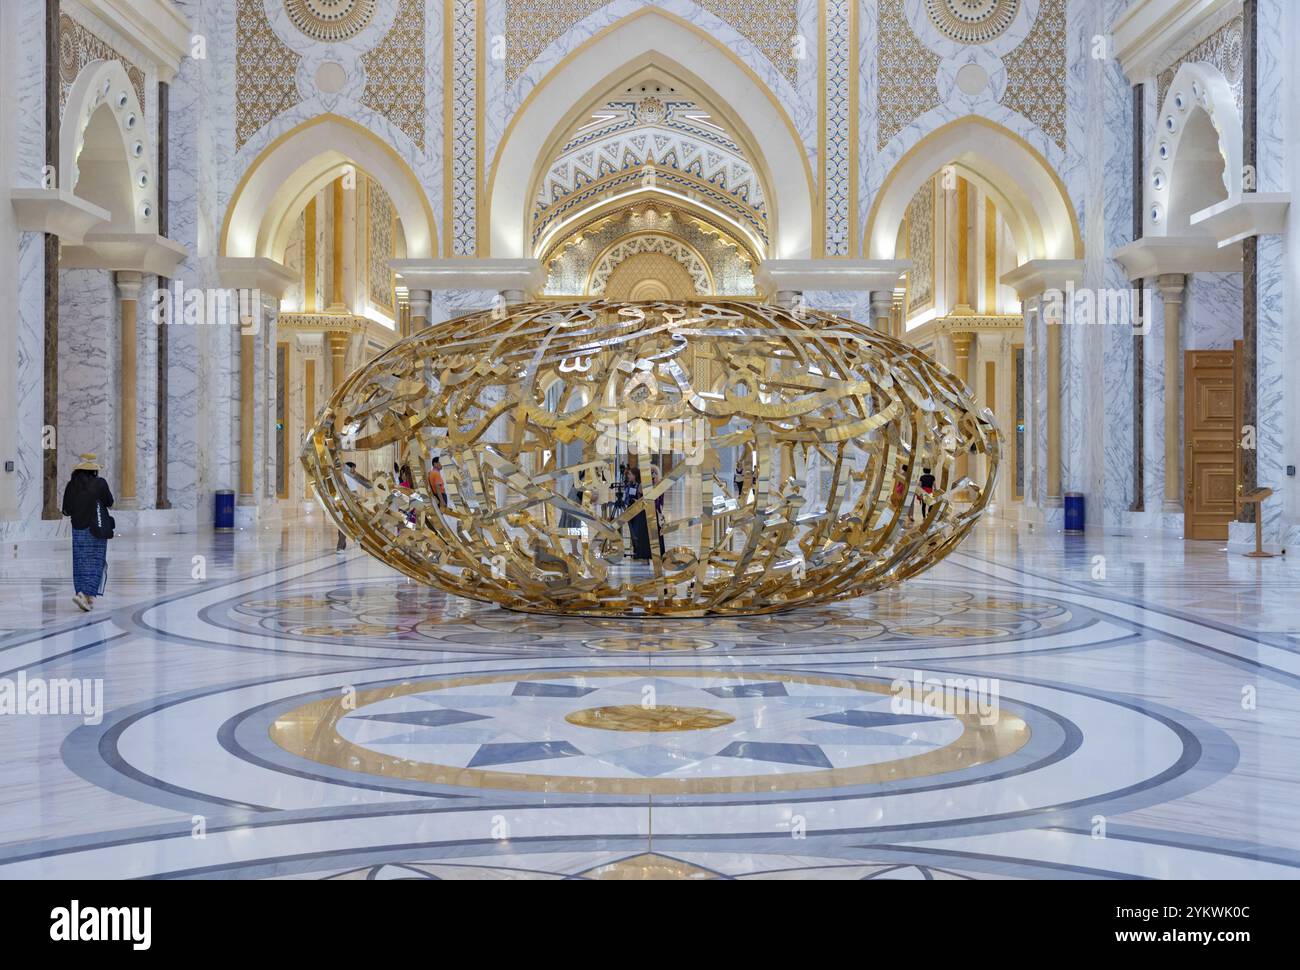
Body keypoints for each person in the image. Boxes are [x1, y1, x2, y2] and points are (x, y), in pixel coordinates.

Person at [62, 454, 114, 612]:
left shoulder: (71, 485)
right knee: (96, 561)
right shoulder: (100, 483)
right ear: (94, 471)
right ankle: (88, 595)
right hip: (96, 529)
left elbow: (66, 510)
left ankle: (82, 594)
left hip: (78, 528)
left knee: (80, 561)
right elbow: (110, 502)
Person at [626, 467, 653, 562]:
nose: (628, 476)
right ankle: (636, 551)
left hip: (638, 511)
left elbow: (644, 500)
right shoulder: (629, 485)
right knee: (633, 532)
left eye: (630, 474)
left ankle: (640, 552)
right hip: (630, 510)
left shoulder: (640, 485)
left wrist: (636, 501)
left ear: (635, 475)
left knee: (638, 532)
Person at [337, 461, 359, 551]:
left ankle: (342, 544)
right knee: (345, 525)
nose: (354, 470)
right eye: (353, 468)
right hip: (347, 504)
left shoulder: (347, 477)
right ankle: (340, 547)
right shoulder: (346, 477)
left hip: (346, 504)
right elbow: (352, 492)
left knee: (343, 526)